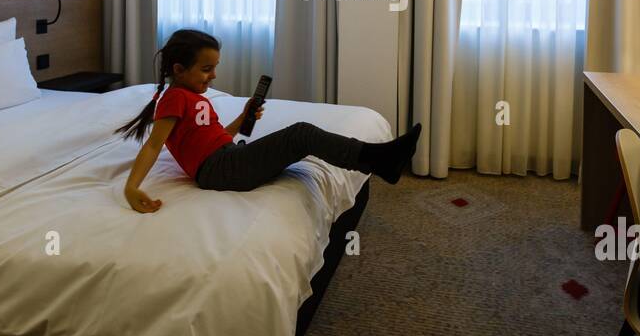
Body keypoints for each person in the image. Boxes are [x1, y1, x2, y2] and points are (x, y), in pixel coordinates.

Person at [116, 29, 420, 214]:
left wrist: (244, 115)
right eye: (206, 69)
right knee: (301, 134)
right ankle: (377, 159)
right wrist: (131, 188)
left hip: (225, 158)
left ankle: (377, 159)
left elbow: (217, 135)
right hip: (219, 170)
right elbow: (154, 145)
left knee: (298, 137)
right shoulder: (174, 98)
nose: (214, 76)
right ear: (179, 69)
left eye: (215, 67)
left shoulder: (194, 98)